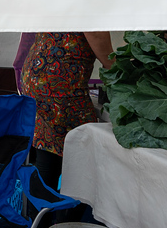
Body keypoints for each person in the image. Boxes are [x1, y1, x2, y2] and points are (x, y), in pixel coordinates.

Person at [19, 32, 114, 189]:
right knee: (80, 147)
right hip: (58, 82)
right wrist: (113, 66)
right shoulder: (90, 13)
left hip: (40, 74)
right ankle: (57, 202)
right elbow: (95, 32)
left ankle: (42, 203)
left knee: (49, 150)